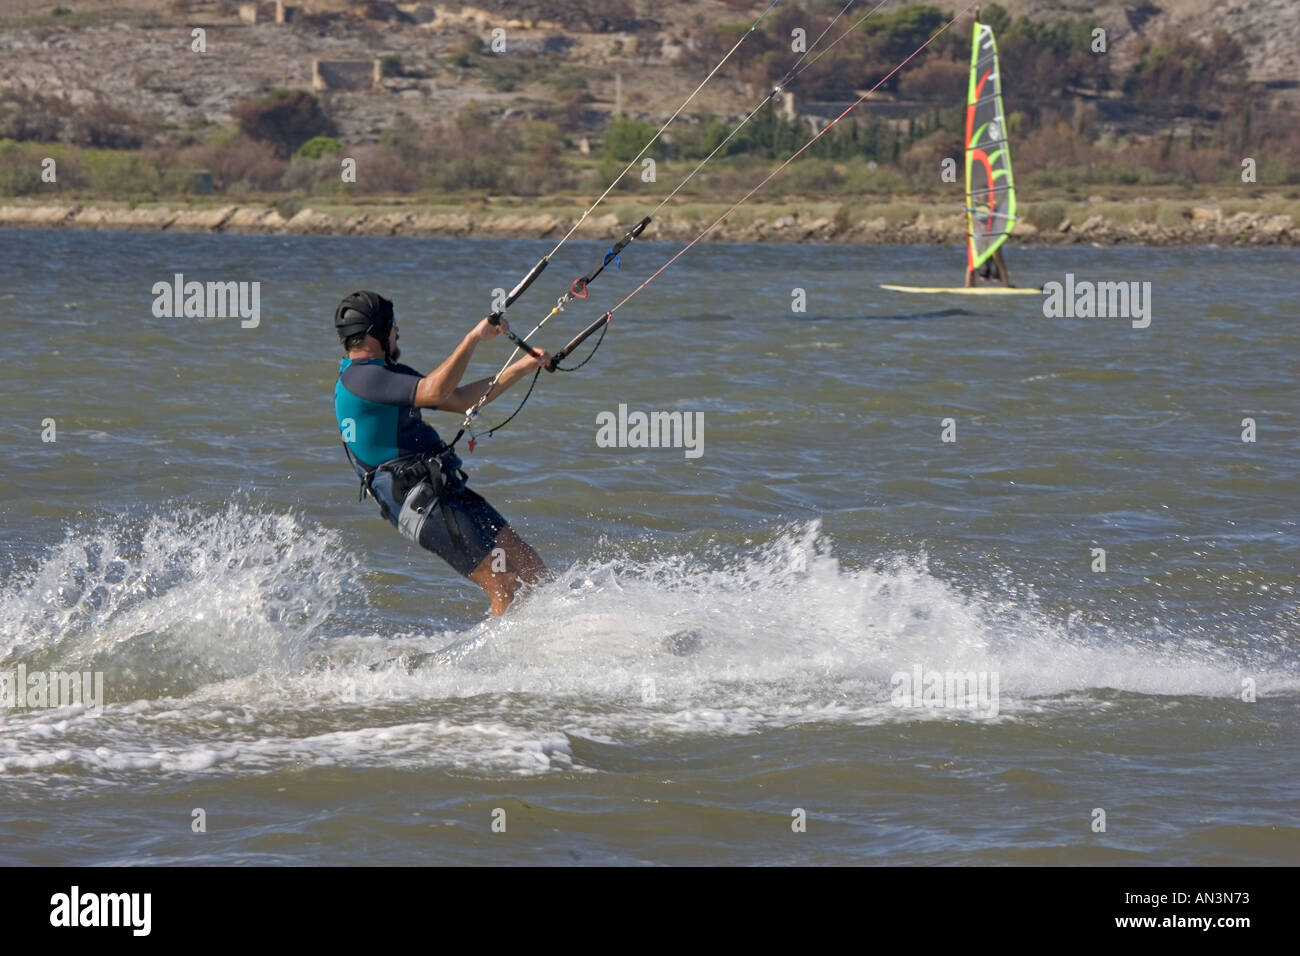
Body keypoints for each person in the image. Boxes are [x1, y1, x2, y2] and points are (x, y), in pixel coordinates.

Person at [332, 290, 549, 615]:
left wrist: (521, 367)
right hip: (418, 503)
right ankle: (502, 664)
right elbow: (436, 389)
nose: (397, 332)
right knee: (504, 584)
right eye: (392, 326)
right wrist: (474, 337)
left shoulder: (382, 374)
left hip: (441, 489)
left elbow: (458, 399)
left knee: (531, 569)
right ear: (377, 332)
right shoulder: (364, 377)